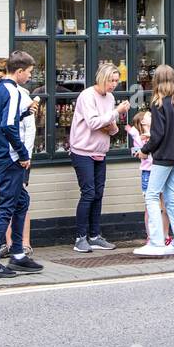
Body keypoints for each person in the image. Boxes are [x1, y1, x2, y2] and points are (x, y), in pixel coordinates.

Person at [0, 51, 43, 279]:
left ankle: (17, 253)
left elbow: (2, 120)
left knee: (22, 200)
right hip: (10, 158)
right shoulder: (13, 91)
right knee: (7, 207)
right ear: (19, 71)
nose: (29, 77)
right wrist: (24, 153)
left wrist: (25, 112)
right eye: (29, 73)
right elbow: (7, 126)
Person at [69, 63, 130, 253]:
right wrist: (116, 113)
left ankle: (94, 236)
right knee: (88, 193)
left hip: (100, 151)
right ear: (102, 78)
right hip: (83, 151)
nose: (114, 85)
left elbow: (110, 126)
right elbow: (93, 122)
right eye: (111, 81)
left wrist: (113, 124)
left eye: (116, 81)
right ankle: (80, 238)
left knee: (98, 193)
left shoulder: (110, 97)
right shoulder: (87, 96)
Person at [133, 65, 174, 256]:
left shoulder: (158, 103)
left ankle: (157, 242)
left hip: (163, 157)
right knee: (171, 199)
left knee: (151, 196)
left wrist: (144, 150)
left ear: (156, 80)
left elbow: (157, 135)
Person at [127, 109, 169, 245]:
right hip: (148, 173)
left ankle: (165, 235)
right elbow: (143, 155)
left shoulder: (157, 134)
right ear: (143, 121)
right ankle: (151, 236)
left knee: (165, 205)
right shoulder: (139, 138)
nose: (153, 116)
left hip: (160, 170)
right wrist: (144, 140)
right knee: (150, 206)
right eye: (149, 115)